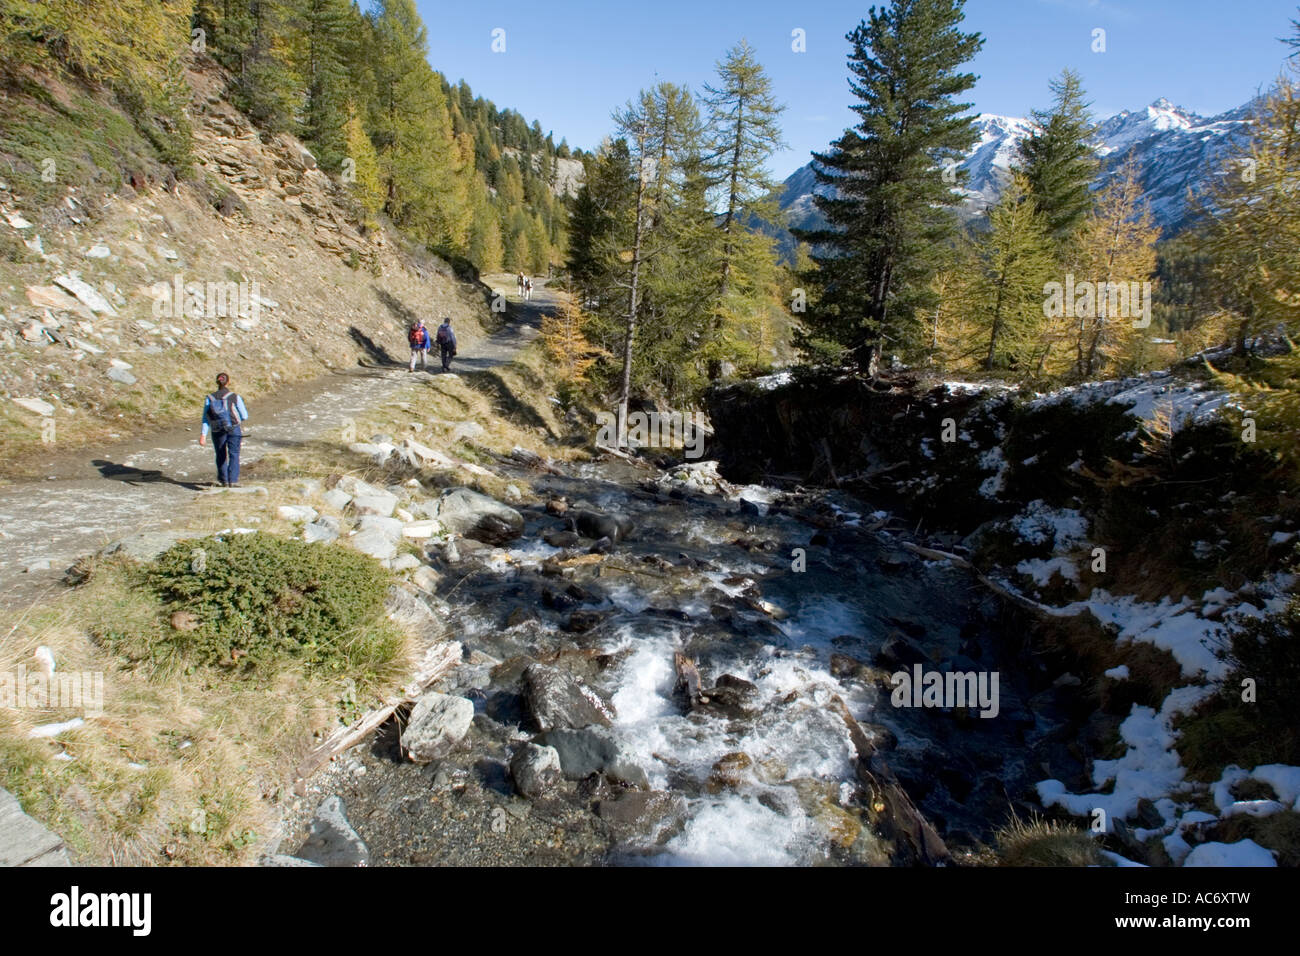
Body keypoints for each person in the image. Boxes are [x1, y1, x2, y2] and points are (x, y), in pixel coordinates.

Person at [199, 372, 248, 488]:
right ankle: (233, 480)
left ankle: (223, 480)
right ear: (228, 382)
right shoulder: (234, 396)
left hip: (217, 430)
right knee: (234, 454)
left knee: (220, 455)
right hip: (233, 428)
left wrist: (203, 435)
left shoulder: (209, 398)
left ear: (217, 382)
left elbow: (205, 418)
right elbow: (245, 416)